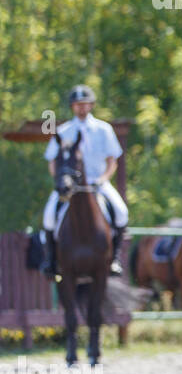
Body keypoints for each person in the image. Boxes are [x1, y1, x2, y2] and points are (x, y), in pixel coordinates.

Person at [41, 85, 128, 277]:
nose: (81, 108)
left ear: (91, 105)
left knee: (122, 211)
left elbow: (112, 161)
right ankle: (51, 260)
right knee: (48, 215)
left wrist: (103, 179)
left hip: (98, 183)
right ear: (72, 106)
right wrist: (60, 181)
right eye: (78, 104)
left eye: (85, 104)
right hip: (69, 186)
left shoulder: (104, 129)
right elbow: (52, 161)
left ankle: (115, 258)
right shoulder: (63, 131)